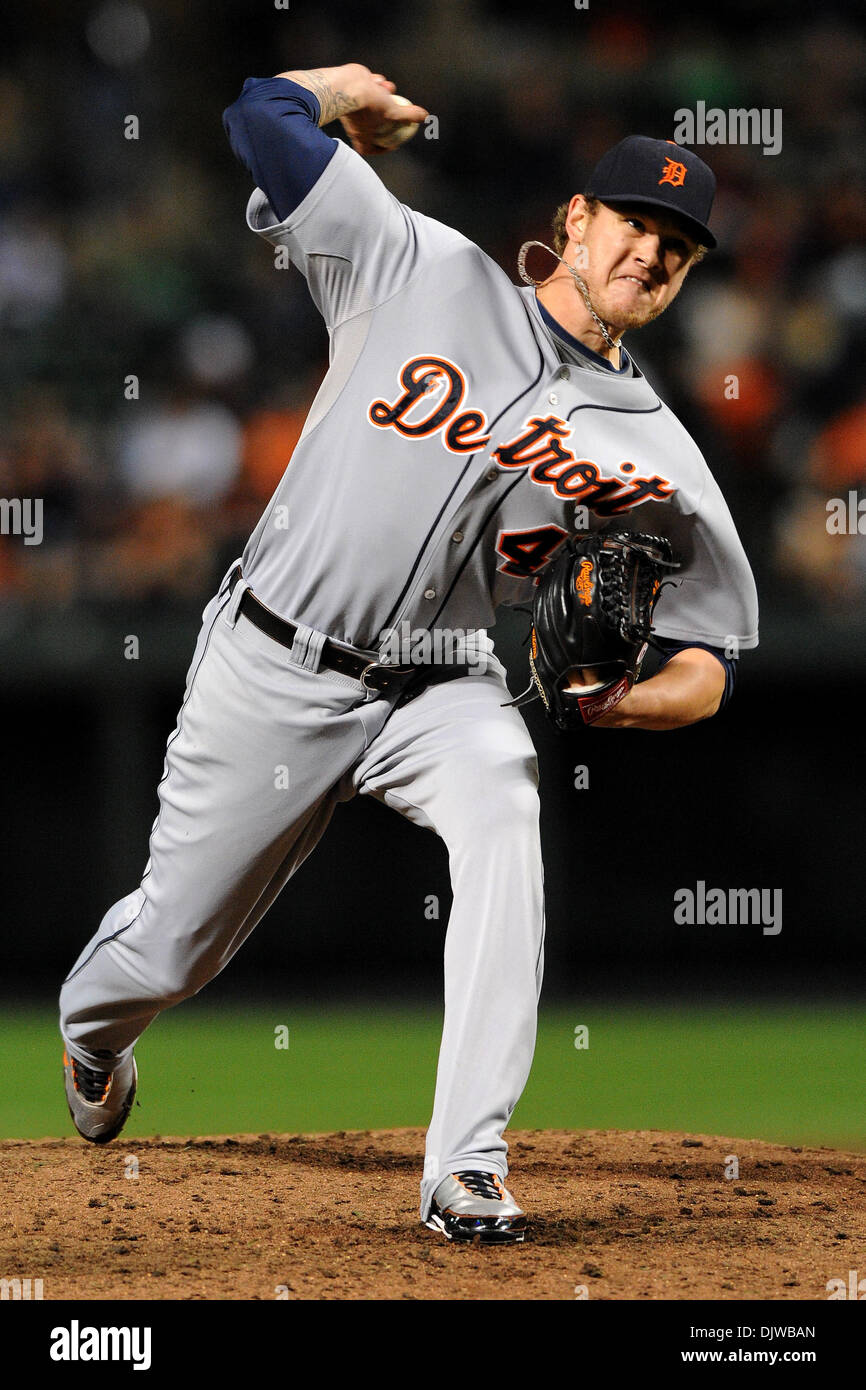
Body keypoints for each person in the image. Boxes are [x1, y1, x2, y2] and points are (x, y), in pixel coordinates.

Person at [59, 64, 758, 1245]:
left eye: (675, 248)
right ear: (574, 221)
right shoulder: (417, 265)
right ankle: (92, 1035)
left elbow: (714, 658)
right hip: (274, 659)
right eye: (633, 223)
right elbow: (257, 116)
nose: (649, 253)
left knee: (502, 797)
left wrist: (627, 706)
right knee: (171, 949)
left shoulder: (656, 452)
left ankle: (466, 1166)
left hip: (444, 680)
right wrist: (342, 90)